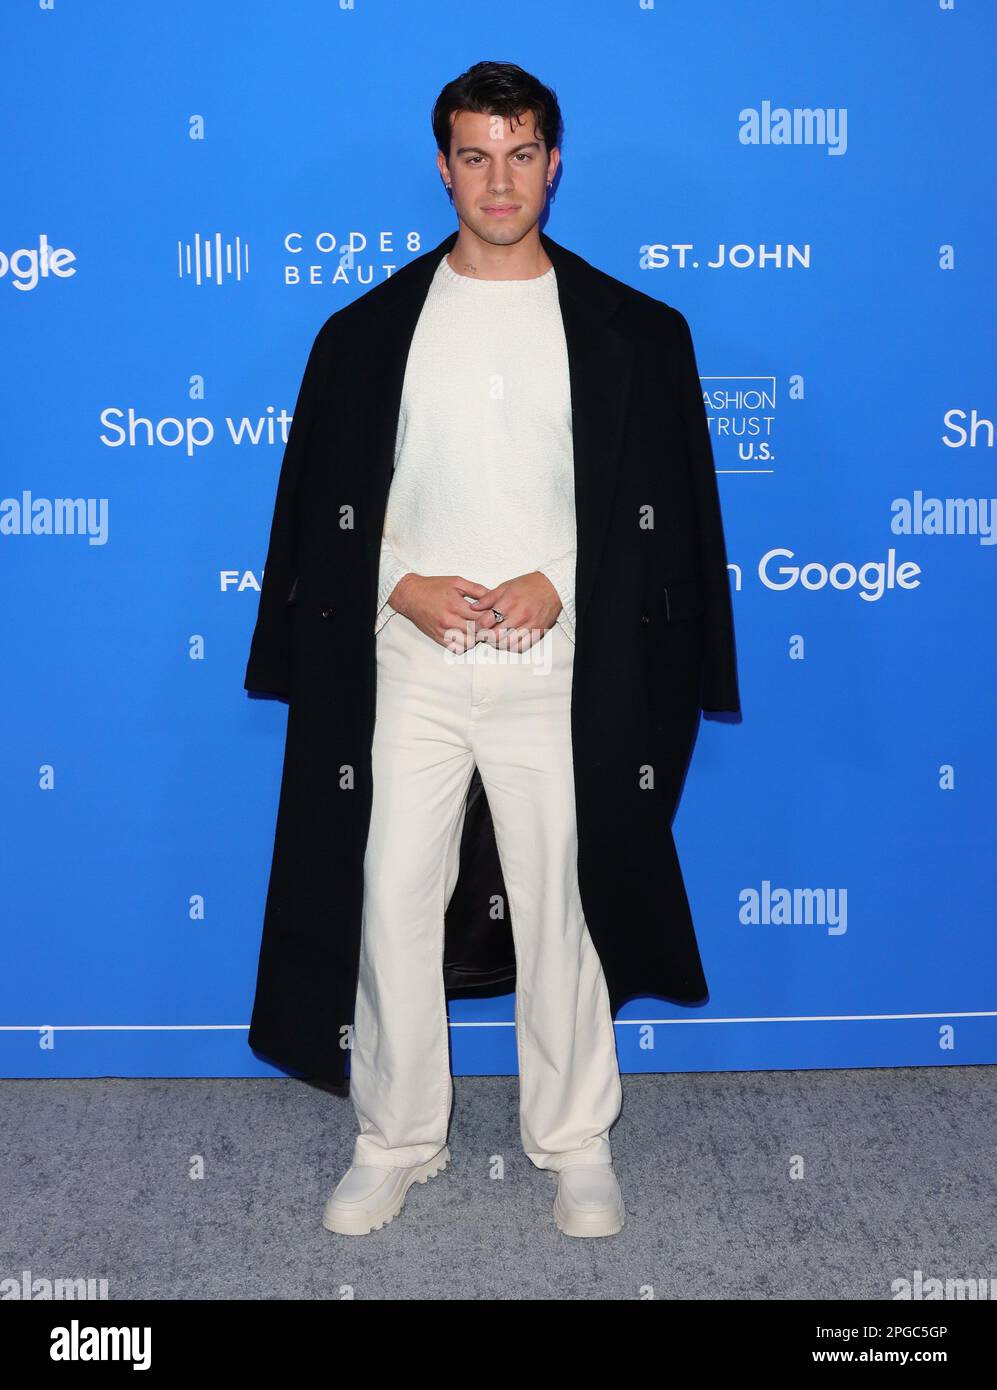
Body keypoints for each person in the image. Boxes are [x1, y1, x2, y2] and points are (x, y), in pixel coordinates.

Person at [244, 60, 741, 1240]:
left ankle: (573, 1142)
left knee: (561, 906)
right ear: (442, 165)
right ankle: (395, 1138)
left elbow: (667, 512)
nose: (499, 179)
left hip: (560, 671)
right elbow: (319, 513)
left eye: (521, 153)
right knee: (390, 901)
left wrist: (556, 583)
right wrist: (396, 582)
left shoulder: (639, 333)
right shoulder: (365, 333)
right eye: (475, 154)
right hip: (409, 666)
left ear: (553, 161)